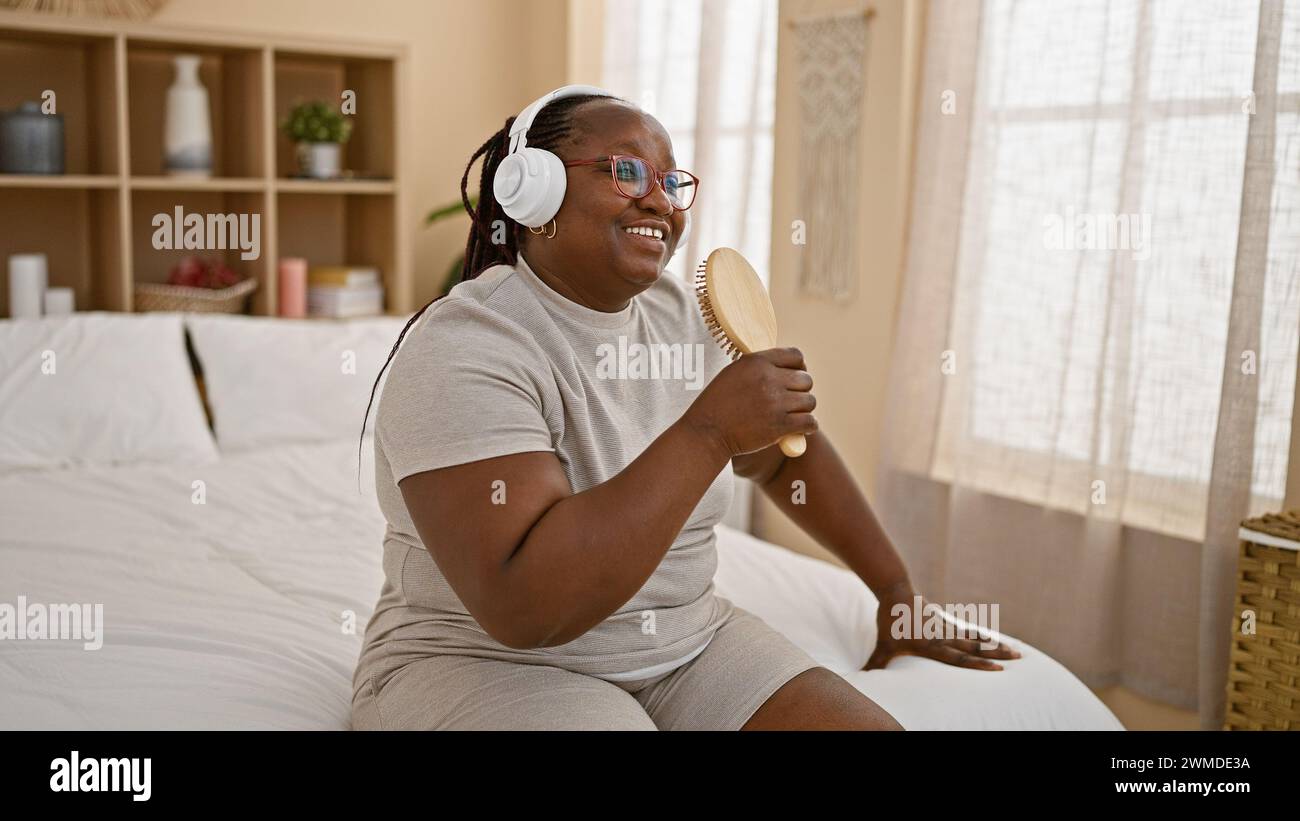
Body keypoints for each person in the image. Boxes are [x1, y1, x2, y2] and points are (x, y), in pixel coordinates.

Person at [351, 85, 1018, 731]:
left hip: (683, 642)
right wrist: (707, 432)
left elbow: (783, 458)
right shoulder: (469, 344)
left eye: (672, 183)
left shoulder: (676, 313)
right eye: (627, 171)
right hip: (488, 662)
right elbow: (524, 606)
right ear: (535, 190)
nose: (659, 200)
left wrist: (897, 594)